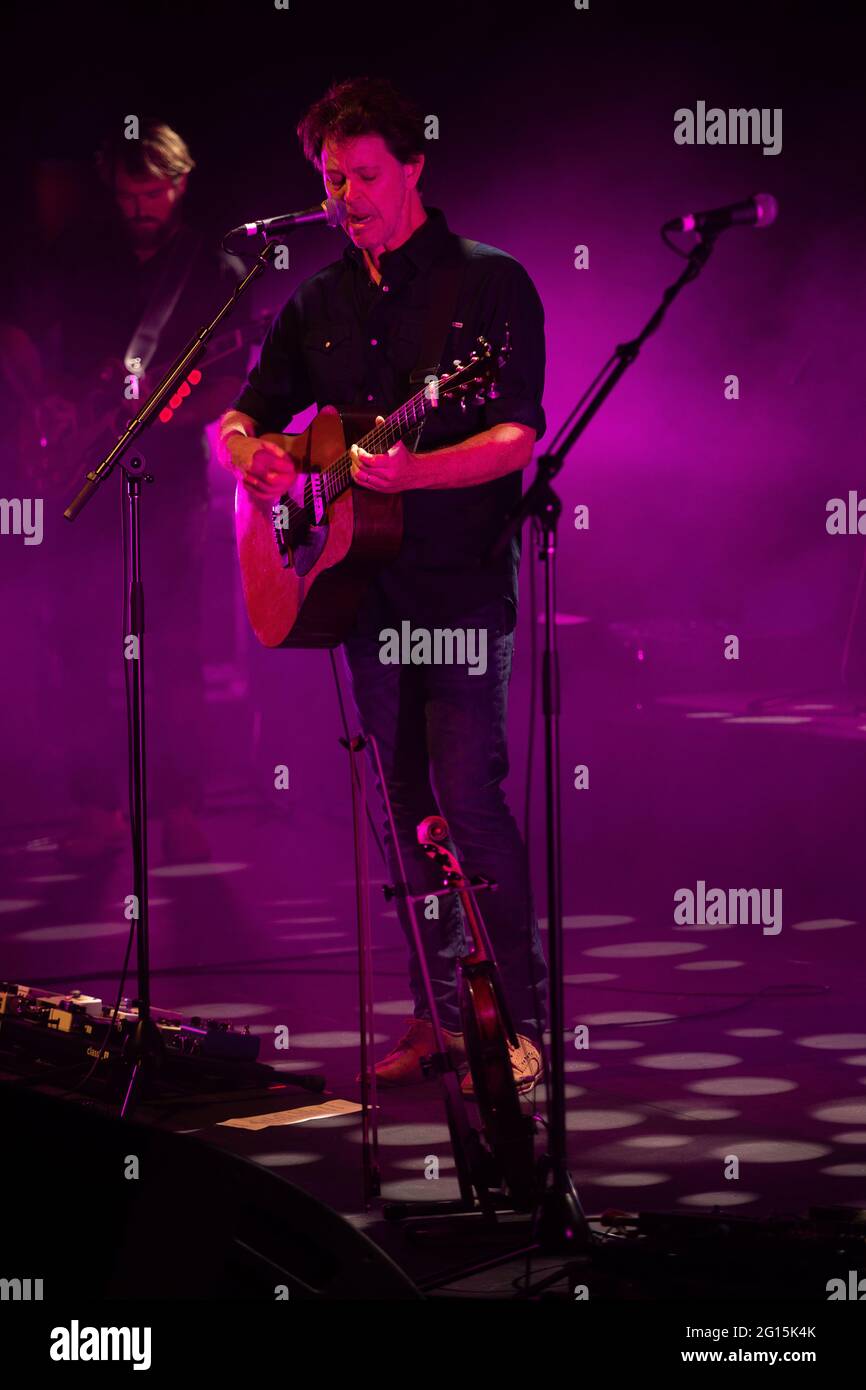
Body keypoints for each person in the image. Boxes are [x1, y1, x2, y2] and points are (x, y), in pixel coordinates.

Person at [218, 77, 548, 1093]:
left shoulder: (488, 286)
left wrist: (417, 470)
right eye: (330, 179)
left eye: (363, 175)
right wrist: (252, 458)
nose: (347, 195)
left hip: (456, 588)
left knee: (467, 798)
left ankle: (512, 1022)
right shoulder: (314, 299)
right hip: (361, 592)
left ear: (412, 167)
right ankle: (435, 1011)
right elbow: (243, 416)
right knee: (398, 806)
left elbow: (513, 438)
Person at [9, 119, 248, 862]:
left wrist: (178, 411)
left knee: (173, 644)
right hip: (81, 475)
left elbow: (237, 379)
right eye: (127, 195)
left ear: (181, 183)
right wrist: (41, 399)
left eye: (154, 193)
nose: (141, 208)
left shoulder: (216, 270)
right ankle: (97, 809)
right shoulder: (81, 256)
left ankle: (181, 807)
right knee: (79, 641)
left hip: (168, 478)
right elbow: (14, 331)